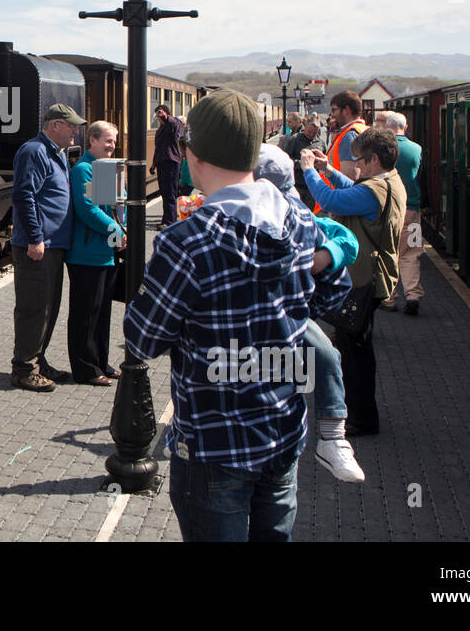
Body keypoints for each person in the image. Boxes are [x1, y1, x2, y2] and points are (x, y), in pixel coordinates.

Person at [124, 91, 351, 541]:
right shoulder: (301, 221)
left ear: (192, 154)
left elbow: (143, 339)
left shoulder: (185, 242)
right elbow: (330, 298)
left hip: (213, 446)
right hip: (283, 436)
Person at [254, 145, 365, 483]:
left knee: (328, 356)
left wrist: (326, 255)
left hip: (285, 316)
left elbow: (347, 240)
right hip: (246, 320)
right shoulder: (228, 214)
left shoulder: (298, 216)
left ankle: (332, 437)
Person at [301, 128, 406, 436]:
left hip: (362, 279)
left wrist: (309, 171)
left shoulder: (373, 189)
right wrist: (329, 170)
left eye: (361, 160)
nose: (358, 165)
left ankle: (362, 417)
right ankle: (360, 413)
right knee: (356, 348)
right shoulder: (388, 181)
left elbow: (331, 198)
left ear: (374, 158)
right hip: (372, 277)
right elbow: (353, 190)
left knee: (355, 353)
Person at [10, 103, 86, 392]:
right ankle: (23, 369)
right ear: (55, 125)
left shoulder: (57, 153)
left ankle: (38, 361)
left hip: (53, 245)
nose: (76, 131)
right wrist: (34, 237)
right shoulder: (34, 151)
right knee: (34, 308)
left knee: (49, 308)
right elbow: (24, 195)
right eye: (72, 126)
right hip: (38, 245)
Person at [66, 121, 126, 386]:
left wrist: (122, 229)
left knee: (101, 312)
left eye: (114, 142)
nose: (112, 146)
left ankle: (101, 362)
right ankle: (85, 369)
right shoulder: (83, 170)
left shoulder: (104, 167)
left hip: (106, 252)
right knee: (85, 314)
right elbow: (89, 210)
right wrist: (117, 231)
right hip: (87, 253)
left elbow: (115, 206)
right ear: (92, 140)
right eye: (107, 141)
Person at [381, 111, 423, 316]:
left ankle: (389, 297)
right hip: (413, 210)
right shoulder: (417, 149)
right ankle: (413, 294)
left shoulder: (381, 150)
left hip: (388, 210)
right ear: (405, 128)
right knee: (411, 253)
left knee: (389, 252)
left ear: (387, 127)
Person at [312, 91, 367, 214]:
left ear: (346, 110)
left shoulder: (349, 136)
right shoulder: (363, 130)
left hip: (335, 205)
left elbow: (351, 177)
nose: (333, 114)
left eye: (335, 110)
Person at [149, 105, 186, 226]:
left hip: (171, 162)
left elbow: (174, 124)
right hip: (162, 162)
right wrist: (154, 164)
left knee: (170, 193)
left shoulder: (174, 125)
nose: (157, 118)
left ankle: (170, 221)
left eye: (158, 115)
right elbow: (158, 148)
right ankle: (167, 219)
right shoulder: (161, 129)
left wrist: (165, 116)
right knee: (165, 193)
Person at [285, 116, 326, 207]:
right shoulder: (295, 140)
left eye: (315, 132)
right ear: (304, 127)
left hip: (312, 187)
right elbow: (286, 160)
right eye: (309, 132)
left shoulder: (321, 143)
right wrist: (301, 163)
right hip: (297, 185)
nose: (311, 135)